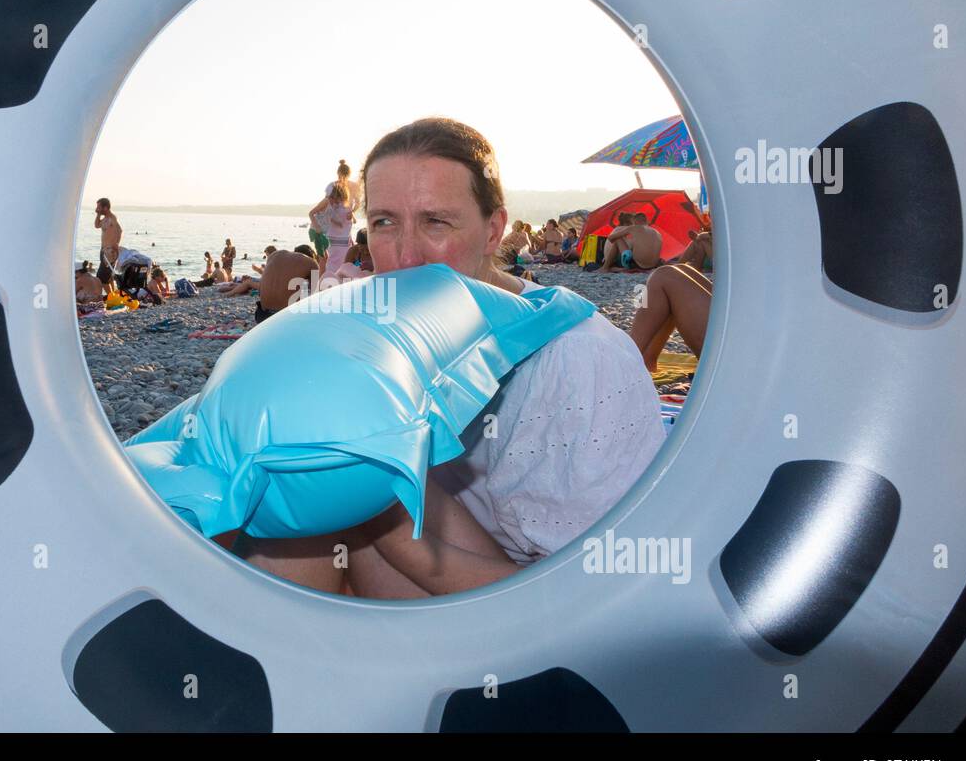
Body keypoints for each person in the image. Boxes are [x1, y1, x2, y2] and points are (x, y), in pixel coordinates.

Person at [235, 117, 664, 598]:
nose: (404, 256)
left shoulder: (581, 362)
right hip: (425, 557)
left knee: (325, 487)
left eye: (435, 222)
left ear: (493, 231)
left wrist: (398, 536)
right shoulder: (383, 326)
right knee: (296, 472)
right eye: (384, 223)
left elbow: (596, 599)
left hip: (518, 613)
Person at [628, 262, 712, 372]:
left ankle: (626, 362)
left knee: (663, 277)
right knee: (682, 269)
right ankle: (646, 360)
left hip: (737, 351)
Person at [250, 249, 317, 323]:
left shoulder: (274, 255)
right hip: (286, 319)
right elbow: (315, 295)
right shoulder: (312, 263)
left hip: (261, 317)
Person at [93, 198, 122, 288]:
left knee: (101, 278)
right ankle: (113, 296)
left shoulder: (112, 218)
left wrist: (115, 244)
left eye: (99, 207)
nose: (97, 208)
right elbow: (97, 225)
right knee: (108, 276)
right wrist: (98, 214)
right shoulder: (105, 219)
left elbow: (119, 230)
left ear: (105, 208)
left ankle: (110, 297)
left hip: (109, 250)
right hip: (104, 249)